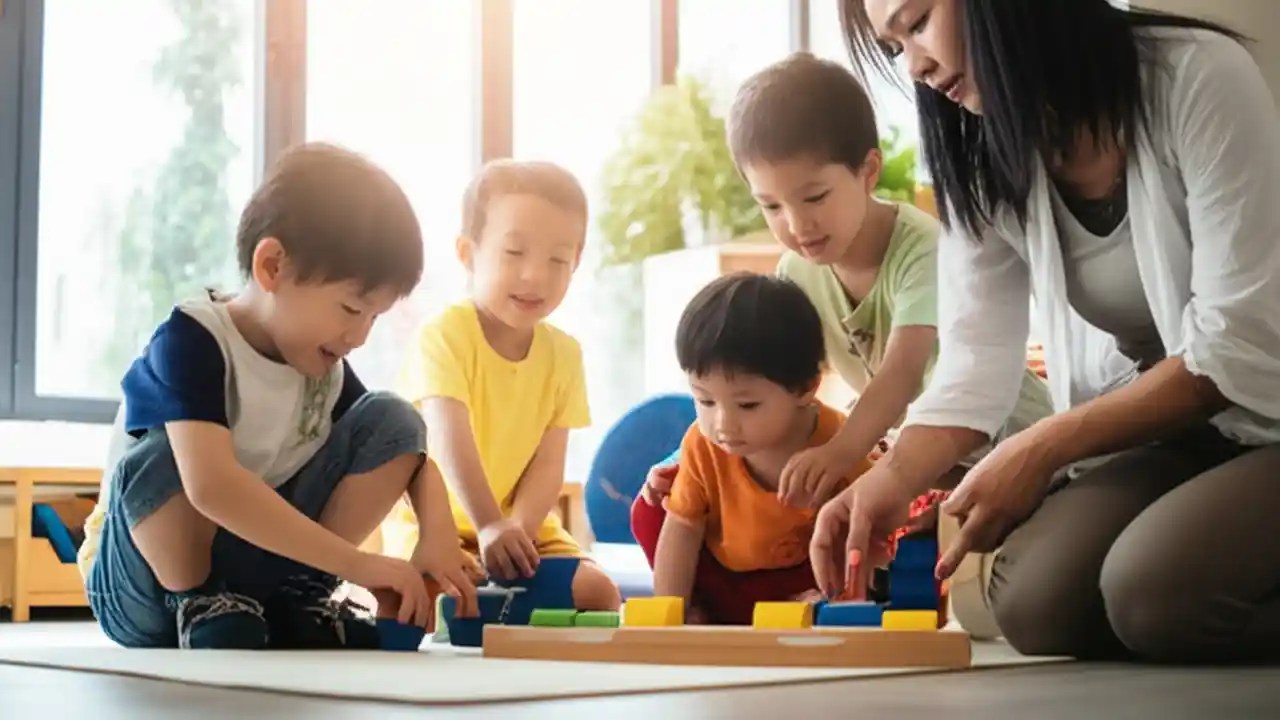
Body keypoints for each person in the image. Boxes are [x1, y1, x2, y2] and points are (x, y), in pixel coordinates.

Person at [813, 0, 1280, 662]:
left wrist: (1040, 449)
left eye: (917, 23)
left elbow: (1231, 345)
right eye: (895, 48)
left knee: (1155, 594)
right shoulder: (982, 148)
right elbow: (975, 358)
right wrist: (886, 483)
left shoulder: (1196, 75)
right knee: (1034, 604)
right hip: (1178, 434)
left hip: (1266, 413)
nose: (915, 66)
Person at [639, 51, 1052, 634]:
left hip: (1000, 437)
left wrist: (839, 453)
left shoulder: (921, 248)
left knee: (996, 597)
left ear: (867, 171)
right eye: (771, 205)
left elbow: (904, 373)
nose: (796, 223)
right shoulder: (795, 271)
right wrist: (685, 461)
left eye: (813, 197)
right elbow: (773, 381)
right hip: (915, 459)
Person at [78, 143, 479, 650]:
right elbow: (212, 488)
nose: (359, 336)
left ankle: (298, 596)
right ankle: (197, 601)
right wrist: (358, 565)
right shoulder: (191, 341)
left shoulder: (319, 364)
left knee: (394, 418)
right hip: (142, 584)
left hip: (245, 578)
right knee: (167, 450)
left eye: (374, 318)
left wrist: (436, 530)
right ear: (272, 266)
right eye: (352, 309)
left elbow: (403, 448)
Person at [395, 159, 621, 611]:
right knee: (441, 600)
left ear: (575, 262)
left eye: (557, 259)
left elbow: (548, 463)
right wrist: (488, 525)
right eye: (514, 253)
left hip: (521, 528)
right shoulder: (446, 334)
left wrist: (515, 530)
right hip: (437, 525)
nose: (534, 275)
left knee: (601, 595)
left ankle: (504, 599)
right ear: (467, 253)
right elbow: (449, 438)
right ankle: (494, 602)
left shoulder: (565, 354)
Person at [635, 272, 873, 624]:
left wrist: (839, 594)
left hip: (804, 582)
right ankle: (701, 610)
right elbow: (683, 530)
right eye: (704, 400)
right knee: (650, 510)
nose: (723, 425)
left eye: (746, 405)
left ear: (805, 388)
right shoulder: (703, 444)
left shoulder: (839, 444)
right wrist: (672, 614)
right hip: (729, 576)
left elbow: (869, 532)